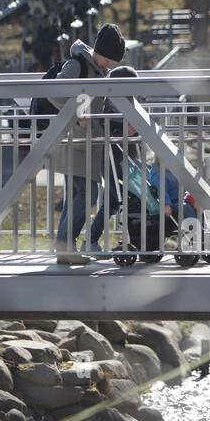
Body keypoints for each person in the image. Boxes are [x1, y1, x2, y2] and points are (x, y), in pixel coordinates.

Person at [50, 23, 126, 263]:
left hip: (88, 144)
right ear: (98, 51)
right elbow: (55, 93)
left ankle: (65, 247)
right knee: (88, 193)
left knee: (76, 194)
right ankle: (64, 246)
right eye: (109, 60)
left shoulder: (98, 71)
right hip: (75, 141)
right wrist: (79, 114)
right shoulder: (78, 65)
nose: (110, 66)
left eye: (114, 63)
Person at [85, 64, 138, 253]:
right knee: (121, 198)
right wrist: (123, 126)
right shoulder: (107, 104)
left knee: (114, 200)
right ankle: (130, 240)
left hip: (126, 160)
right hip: (110, 159)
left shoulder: (130, 102)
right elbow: (104, 122)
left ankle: (91, 240)